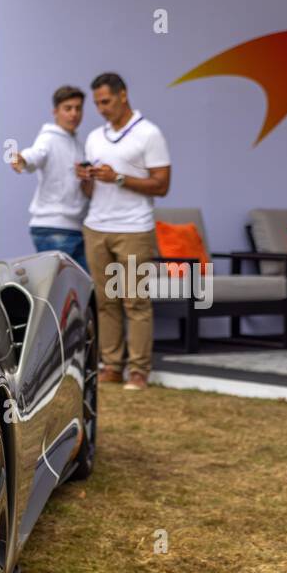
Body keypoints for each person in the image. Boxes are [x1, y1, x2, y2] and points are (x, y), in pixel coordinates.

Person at [78, 72, 171, 391]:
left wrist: (118, 178)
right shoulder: (94, 137)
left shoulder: (149, 133)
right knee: (106, 301)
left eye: (105, 102)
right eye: (97, 104)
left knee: (135, 300)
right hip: (97, 226)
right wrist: (86, 178)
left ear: (123, 95)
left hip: (134, 228)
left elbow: (162, 185)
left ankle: (138, 371)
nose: (101, 109)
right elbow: (91, 192)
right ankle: (111, 366)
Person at [11, 85, 89, 269]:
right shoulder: (48, 138)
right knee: (60, 292)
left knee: (79, 290)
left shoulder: (78, 144)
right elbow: (37, 154)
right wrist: (23, 159)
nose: (73, 114)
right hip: (53, 227)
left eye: (78, 108)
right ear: (55, 112)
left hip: (74, 228)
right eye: (67, 108)